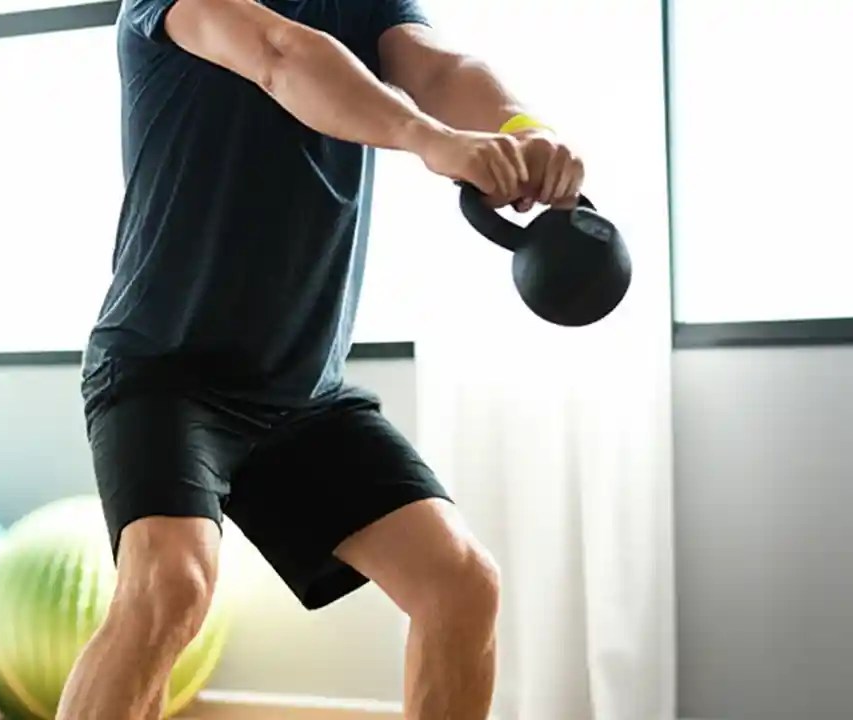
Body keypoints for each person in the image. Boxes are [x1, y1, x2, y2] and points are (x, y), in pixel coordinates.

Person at [56, 0, 585, 718]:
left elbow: (438, 66)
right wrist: (430, 140)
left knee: (460, 584)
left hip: (303, 392)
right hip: (164, 371)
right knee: (170, 588)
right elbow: (279, 53)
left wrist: (526, 130)